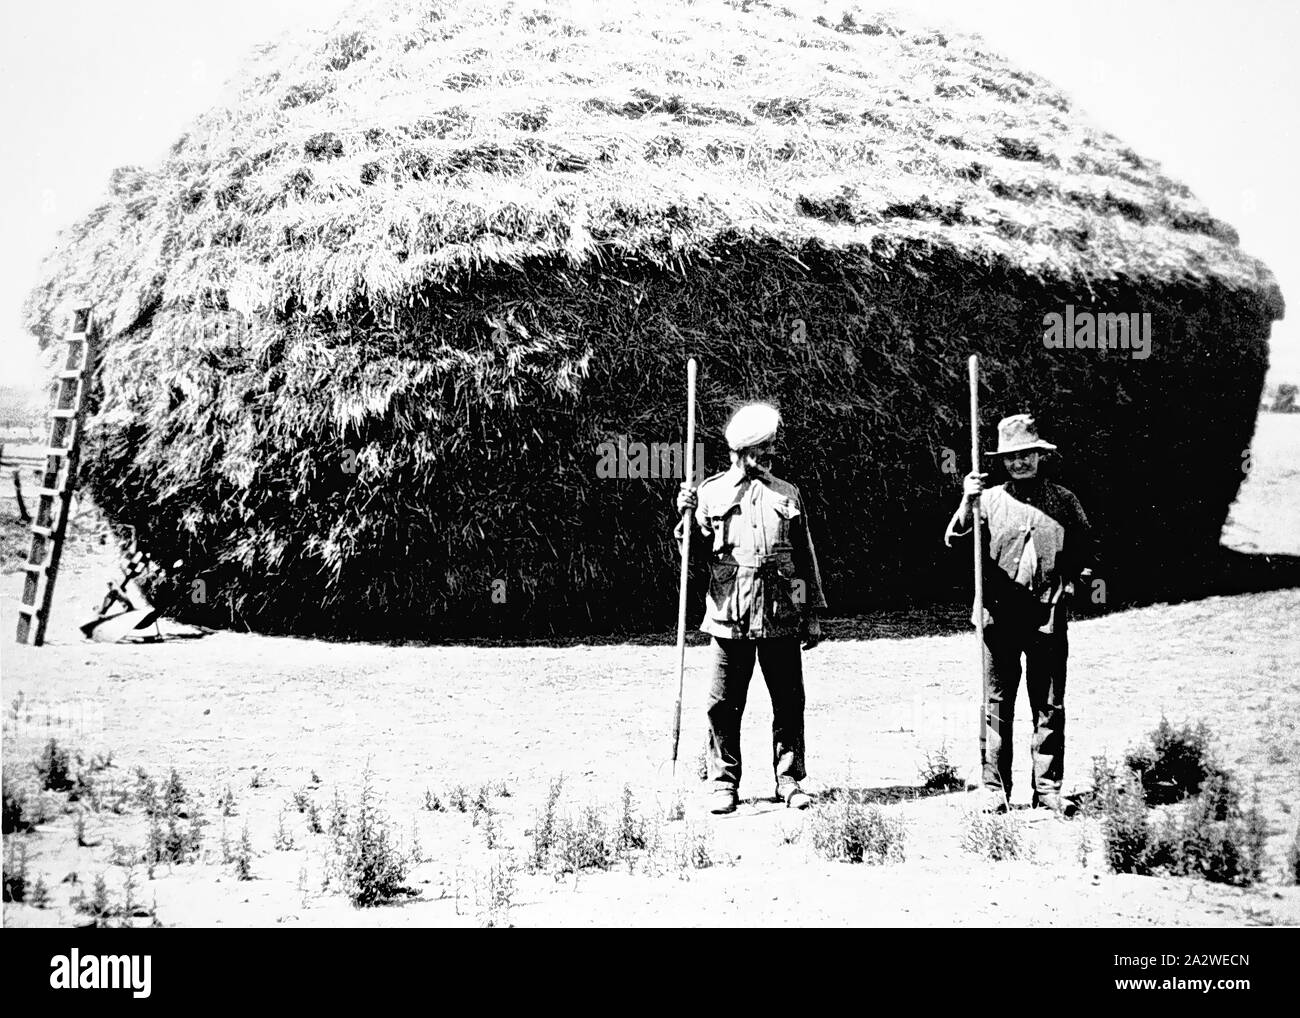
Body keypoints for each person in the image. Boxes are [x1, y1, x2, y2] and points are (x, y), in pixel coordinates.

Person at [675, 402, 827, 815]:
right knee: (722, 704)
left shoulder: (787, 493)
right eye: (763, 449)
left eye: (772, 447)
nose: (770, 455)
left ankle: (790, 780)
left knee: (789, 700)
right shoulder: (710, 493)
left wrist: (809, 613)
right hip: (730, 614)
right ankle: (723, 782)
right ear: (740, 452)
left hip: (780, 615)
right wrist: (685, 516)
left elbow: (801, 560)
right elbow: (692, 555)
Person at [944, 414, 1092, 814]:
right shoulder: (987, 501)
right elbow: (955, 542)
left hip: (1046, 618)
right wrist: (966, 500)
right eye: (1011, 457)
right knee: (995, 703)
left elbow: (1085, 553)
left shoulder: (1064, 502)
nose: (1019, 463)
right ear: (1002, 462)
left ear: (1041, 456)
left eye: (1027, 455)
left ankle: (1047, 790)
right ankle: (994, 787)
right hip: (998, 618)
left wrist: (1071, 586)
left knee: (1048, 705)